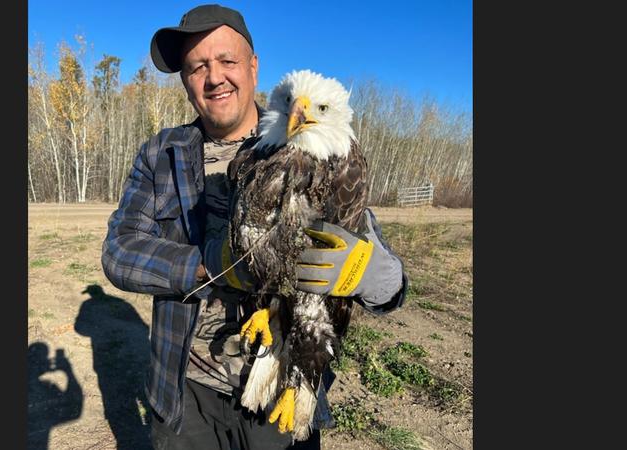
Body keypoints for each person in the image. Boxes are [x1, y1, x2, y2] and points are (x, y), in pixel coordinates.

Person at [101, 4, 407, 449]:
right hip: (187, 394)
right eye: (197, 66)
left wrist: (369, 270)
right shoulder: (161, 154)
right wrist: (209, 264)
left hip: (281, 387)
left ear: (253, 66)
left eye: (226, 61)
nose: (214, 77)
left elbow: (390, 288)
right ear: (186, 79)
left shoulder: (315, 151)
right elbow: (118, 253)